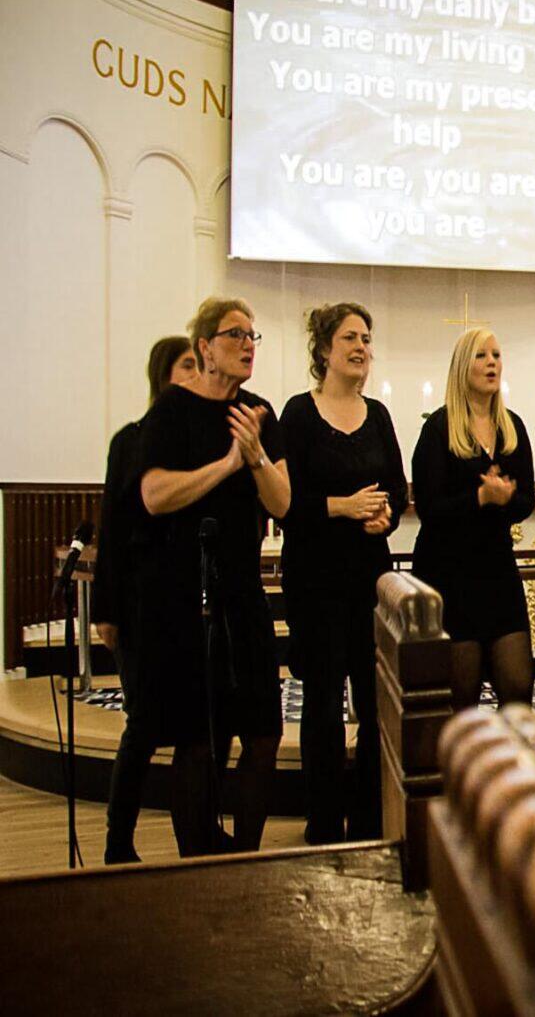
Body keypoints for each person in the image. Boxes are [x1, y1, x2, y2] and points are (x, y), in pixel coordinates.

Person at [138, 297, 290, 855]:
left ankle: (246, 856)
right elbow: (154, 495)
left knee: (264, 735)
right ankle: (196, 862)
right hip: (186, 598)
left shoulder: (259, 414)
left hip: (244, 595)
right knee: (199, 741)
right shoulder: (172, 411)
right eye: (235, 335)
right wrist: (225, 465)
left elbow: (282, 503)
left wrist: (254, 456)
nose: (248, 345)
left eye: (253, 336)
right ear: (205, 346)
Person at [280, 303, 407, 844]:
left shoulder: (377, 415)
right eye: (350, 338)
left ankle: (370, 819)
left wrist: (384, 517)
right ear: (324, 350)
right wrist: (342, 507)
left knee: (375, 703)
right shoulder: (298, 414)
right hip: (315, 580)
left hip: (368, 580)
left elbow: (397, 488)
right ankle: (325, 823)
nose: (361, 347)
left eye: (366, 338)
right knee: (324, 703)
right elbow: (285, 503)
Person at [93, 335, 197, 863]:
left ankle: (192, 837)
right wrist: (105, 609)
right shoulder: (131, 440)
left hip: (186, 603)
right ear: (164, 376)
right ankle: (118, 840)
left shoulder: (197, 444)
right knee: (144, 724)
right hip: (139, 604)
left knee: (193, 731)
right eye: (187, 366)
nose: (196, 375)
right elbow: (112, 529)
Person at [412, 327, 535, 713]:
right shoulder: (438, 428)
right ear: (462, 366)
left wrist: (506, 498)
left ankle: (505, 755)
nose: (491, 363)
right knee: (461, 697)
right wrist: (480, 498)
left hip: (497, 572)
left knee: (518, 687)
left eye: (496, 355)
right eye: (482, 356)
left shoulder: (511, 427)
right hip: (450, 576)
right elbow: (429, 507)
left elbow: (526, 500)